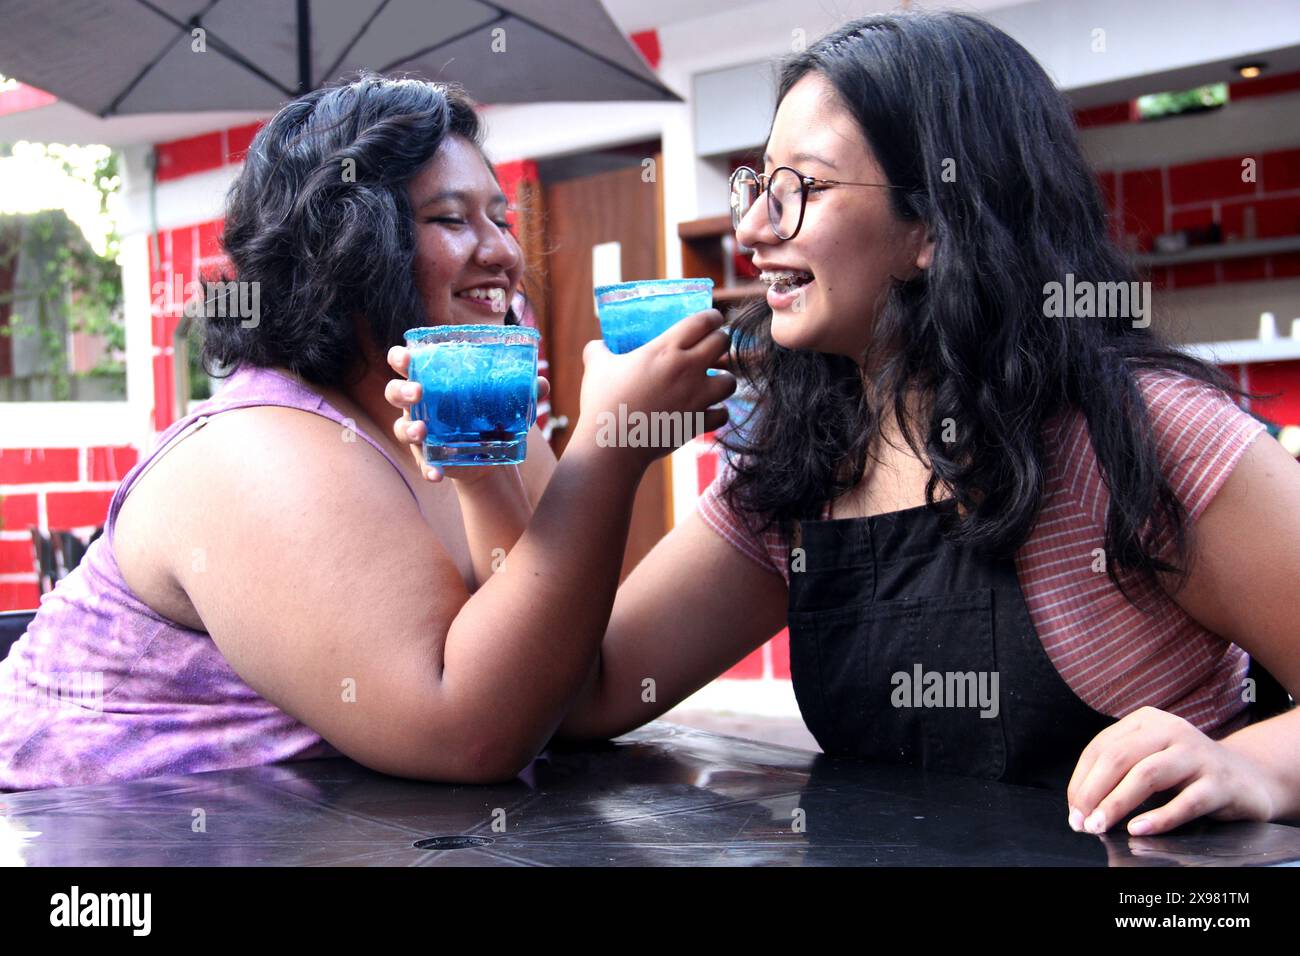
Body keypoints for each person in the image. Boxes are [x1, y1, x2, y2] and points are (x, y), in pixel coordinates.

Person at [401, 12, 1300, 838]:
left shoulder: (1142, 436)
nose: (752, 225)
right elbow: (582, 692)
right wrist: (522, 463)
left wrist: (1250, 764)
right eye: (759, 183)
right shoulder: (804, 469)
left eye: (802, 188)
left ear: (936, 225)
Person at [0, 74, 735, 791]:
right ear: (349, 249)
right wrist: (607, 452)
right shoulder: (259, 450)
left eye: (501, 219)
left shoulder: (473, 417)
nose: (505, 254)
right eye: (452, 219)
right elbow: (473, 734)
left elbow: (566, 682)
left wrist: (766, 508)